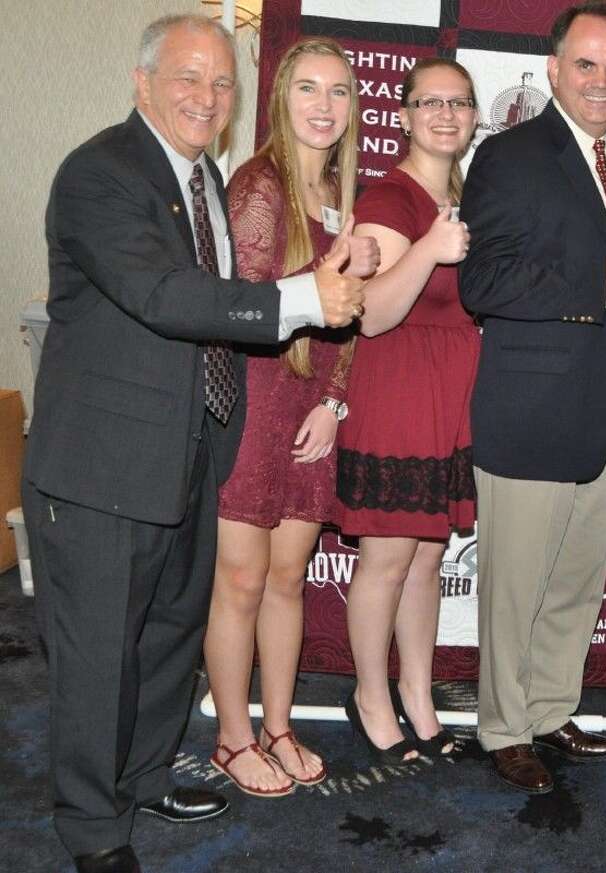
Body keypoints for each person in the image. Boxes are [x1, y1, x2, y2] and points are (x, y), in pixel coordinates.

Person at [21, 14, 364, 873]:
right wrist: (303, 299)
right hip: (100, 468)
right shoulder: (99, 172)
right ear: (142, 82)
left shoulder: (206, 176)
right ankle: (94, 828)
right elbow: (164, 295)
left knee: (170, 636)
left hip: (188, 455)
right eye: (186, 77)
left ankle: (142, 779)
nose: (205, 97)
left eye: (220, 83)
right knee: (99, 655)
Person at [459, 0, 606, 794]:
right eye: (585, 64)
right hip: (532, 408)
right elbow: (483, 281)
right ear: (553, 69)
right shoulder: (511, 154)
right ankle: (505, 727)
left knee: (577, 579)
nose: (600, 80)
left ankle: (548, 708)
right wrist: (598, 281)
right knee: (516, 586)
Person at [203, 36, 373, 798]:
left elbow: (350, 312)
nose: (324, 105)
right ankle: (232, 738)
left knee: (285, 579)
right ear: (280, 97)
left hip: (311, 408)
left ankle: (277, 727)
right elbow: (244, 305)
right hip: (253, 400)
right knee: (241, 580)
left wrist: (335, 402)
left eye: (338, 91)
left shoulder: (342, 191)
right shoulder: (260, 184)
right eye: (309, 88)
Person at [335, 57, 478, 765]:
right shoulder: (392, 198)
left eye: (459, 103)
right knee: (388, 560)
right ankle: (369, 697)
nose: (446, 115)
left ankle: (419, 698)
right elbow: (372, 313)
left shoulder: (461, 193)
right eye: (430, 102)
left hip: (446, 395)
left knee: (426, 557)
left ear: (475, 117)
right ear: (403, 116)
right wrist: (428, 249)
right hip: (397, 391)